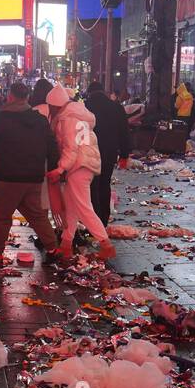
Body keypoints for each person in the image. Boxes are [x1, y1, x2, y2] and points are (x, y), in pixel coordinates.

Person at [0, 82, 60, 266]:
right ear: (26, 98)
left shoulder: (2, 118)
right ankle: (53, 249)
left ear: (10, 96)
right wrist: (53, 168)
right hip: (34, 177)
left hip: (9, 178)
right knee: (37, 215)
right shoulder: (39, 120)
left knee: (1, 217)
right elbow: (52, 145)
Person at [47, 85, 115, 261]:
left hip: (79, 166)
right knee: (72, 206)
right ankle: (66, 244)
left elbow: (71, 149)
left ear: (55, 105)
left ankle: (106, 244)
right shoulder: (77, 114)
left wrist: (60, 168)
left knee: (84, 207)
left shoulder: (68, 119)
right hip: (83, 164)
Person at [84, 80, 131, 226]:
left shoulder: (85, 107)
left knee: (91, 186)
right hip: (109, 152)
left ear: (90, 93)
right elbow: (124, 132)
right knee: (104, 183)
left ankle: (92, 220)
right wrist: (124, 154)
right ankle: (103, 219)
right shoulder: (116, 107)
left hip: (89, 152)